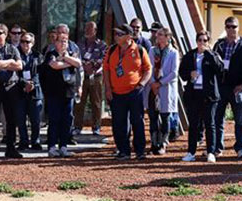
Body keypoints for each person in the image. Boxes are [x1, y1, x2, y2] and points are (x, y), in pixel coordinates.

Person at [104, 24, 152, 160]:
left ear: (129, 36)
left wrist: (141, 84)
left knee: (137, 121)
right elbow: (106, 69)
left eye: (119, 34)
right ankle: (123, 150)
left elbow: (148, 69)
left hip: (134, 92)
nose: (116, 37)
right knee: (119, 123)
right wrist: (108, 88)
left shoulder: (140, 50)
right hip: (116, 93)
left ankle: (140, 151)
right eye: (116, 34)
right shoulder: (111, 50)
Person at [180, 31, 223, 163]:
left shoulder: (213, 55)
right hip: (194, 94)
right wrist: (190, 74)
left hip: (209, 95)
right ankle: (191, 152)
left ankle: (211, 152)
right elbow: (182, 73)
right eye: (200, 40)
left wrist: (209, 53)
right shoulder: (190, 55)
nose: (202, 43)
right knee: (193, 124)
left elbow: (220, 70)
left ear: (208, 42)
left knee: (210, 124)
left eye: (205, 40)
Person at [213, 17, 242, 158]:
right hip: (222, 87)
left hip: (238, 88)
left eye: (233, 26)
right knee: (218, 118)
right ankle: (217, 147)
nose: (231, 29)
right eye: (228, 26)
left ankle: (241, 148)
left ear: (238, 27)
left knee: (240, 120)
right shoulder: (219, 45)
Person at [0, 23, 24, 159]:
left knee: (11, 119)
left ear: (6, 35)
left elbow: (19, 66)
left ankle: (11, 149)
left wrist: (4, 63)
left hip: (11, 87)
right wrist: (10, 62)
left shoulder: (13, 48)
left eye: (0, 32)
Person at [40, 33, 82, 157]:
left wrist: (65, 58)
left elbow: (79, 63)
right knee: (54, 120)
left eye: (65, 41)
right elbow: (54, 65)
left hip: (68, 93)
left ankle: (63, 147)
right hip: (54, 93)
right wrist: (69, 62)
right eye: (60, 41)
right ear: (55, 42)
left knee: (66, 120)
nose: (63, 43)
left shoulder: (71, 53)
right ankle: (52, 147)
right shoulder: (51, 54)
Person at [145, 27, 179, 155]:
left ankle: (163, 143)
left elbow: (174, 72)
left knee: (165, 116)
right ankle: (154, 143)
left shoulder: (173, 52)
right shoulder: (153, 51)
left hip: (166, 88)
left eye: (161, 34)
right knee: (153, 116)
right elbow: (149, 67)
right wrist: (153, 83)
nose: (157, 36)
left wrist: (160, 83)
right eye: (157, 34)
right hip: (153, 87)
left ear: (167, 37)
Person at [73, 21, 107, 138]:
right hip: (82, 76)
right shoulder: (79, 44)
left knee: (96, 102)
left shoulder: (102, 45)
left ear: (95, 31)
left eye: (90, 28)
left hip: (96, 76)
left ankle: (96, 126)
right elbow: (75, 57)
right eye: (86, 28)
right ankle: (77, 126)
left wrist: (92, 65)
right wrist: (84, 65)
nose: (87, 30)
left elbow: (103, 59)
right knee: (79, 102)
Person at [16, 32, 44, 151]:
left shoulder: (38, 56)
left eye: (27, 42)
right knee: (20, 119)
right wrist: (24, 83)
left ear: (32, 43)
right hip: (20, 90)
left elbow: (41, 73)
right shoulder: (16, 55)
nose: (24, 44)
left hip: (35, 91)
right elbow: (14, 73)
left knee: (35, 119)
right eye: (22, 41)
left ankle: (35, 141)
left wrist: (32, 83)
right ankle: (23, 141)